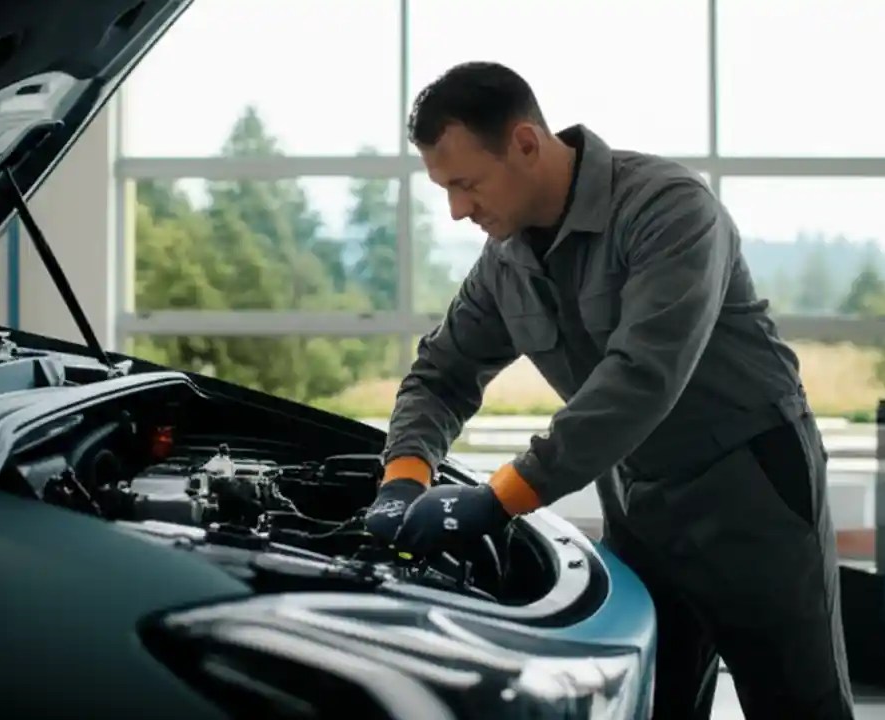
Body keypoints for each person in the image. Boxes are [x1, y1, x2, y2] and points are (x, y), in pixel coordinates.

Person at [361, 61, 856, 719]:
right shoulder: (504, 263)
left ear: (526, 144)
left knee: (799, 705)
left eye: (466, 183)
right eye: (444, 189)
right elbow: (440, 376)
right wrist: (403, 479)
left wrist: (499, 498)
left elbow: (641, 376)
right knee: (649, 701)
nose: (456, 210)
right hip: (638, 499)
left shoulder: (668, 209)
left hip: (751, 489)